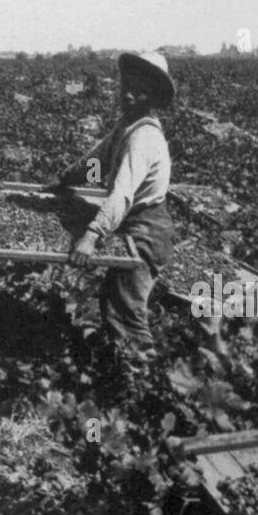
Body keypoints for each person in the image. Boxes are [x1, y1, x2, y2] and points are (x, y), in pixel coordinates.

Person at [54, 51, 176, 351]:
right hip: (133, 222)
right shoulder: (127, 126)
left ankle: (145, 374)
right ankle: (123, 364)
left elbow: (122, 193)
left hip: (146, 231)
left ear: (153, 98)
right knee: (114, 299)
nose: (130, 96)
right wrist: (64, 181)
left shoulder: (143, 139)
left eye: (140, 91)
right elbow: (96, 163)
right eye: (127, 88)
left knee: (126, 313)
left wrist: (92, 235)